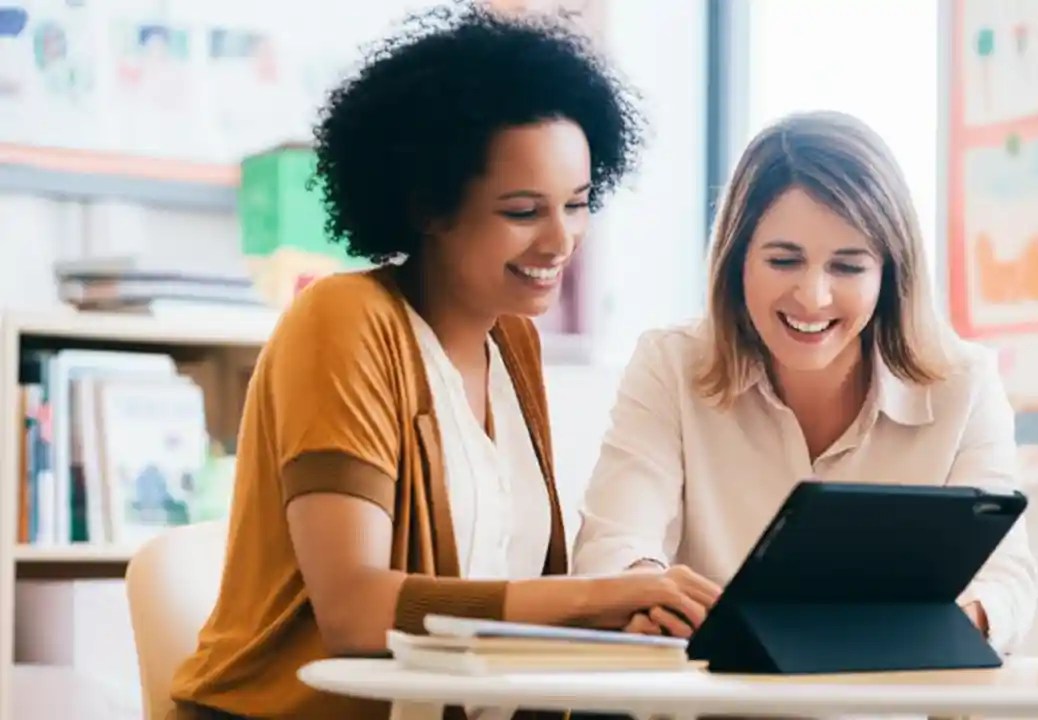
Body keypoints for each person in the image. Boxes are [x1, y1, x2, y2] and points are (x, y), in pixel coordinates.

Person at [169, 5, 718, 719]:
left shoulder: (512, 343)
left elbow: (504, 602)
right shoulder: (344, 321)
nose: (561, 242)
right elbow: (355, 610)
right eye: (523, 212)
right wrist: (597, 595)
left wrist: (624, 617)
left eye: (577, 205)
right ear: (429, 204)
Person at [573, 110, 1038, 652]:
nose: (813, 297)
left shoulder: (963, 384)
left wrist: (925, 626)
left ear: (889, 273)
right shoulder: (670, 365)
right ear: (737, 260)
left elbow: (1007, 582)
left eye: (847, 267)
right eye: (784, 260)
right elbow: (613, 544)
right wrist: (648, 592)